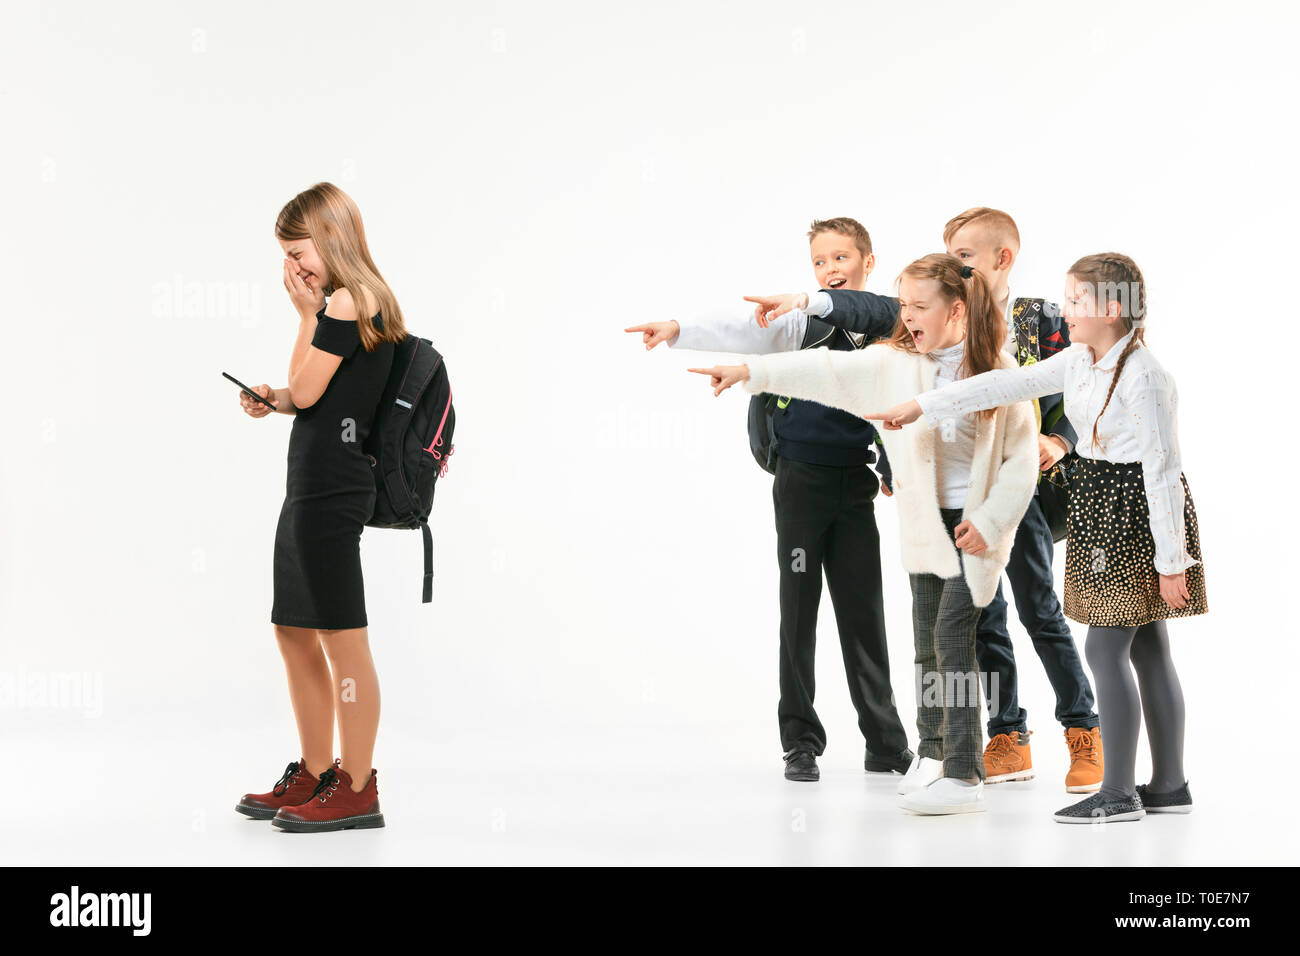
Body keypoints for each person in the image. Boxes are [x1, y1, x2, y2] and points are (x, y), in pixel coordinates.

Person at [749, 207, 1102, 791]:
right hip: (932, 507)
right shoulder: (924, 320)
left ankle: (1080, 730)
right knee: (973, 627)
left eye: (963, 255)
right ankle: (1002, 736)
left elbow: (1077, 388)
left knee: (1038, 613)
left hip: (1019, 495)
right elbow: (903, 397)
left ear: (999, 259)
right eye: (950, 254)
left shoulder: (1036, 320)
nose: (954, 265)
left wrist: (1059, 439)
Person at [689, 253, 1038, 815]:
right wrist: (751, 373)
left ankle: (965, 773)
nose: (907, 317)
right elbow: (829, 373)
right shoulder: (897, 365)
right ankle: (932, 752)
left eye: (919, 307)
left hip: (975, 530)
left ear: (956, 310)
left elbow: (1022, 463)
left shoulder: (998, 370)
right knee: (927, 646)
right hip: (925, 526)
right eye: (903, 306)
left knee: (954, 640)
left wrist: (991, 524)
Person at [873, 252, 1206, 822]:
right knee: (1148, 647)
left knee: (1107, 649)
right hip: (1100, 505)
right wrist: (921, 405)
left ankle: (1120, 792)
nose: (1065, 310)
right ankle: (1170, 785)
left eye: (1076, 301)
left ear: (1112, 308)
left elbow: (1162, 471)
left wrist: (1172, 561)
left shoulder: (1146, 377)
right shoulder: (1079, 360)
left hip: (1133, 515)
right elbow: (1008, 383)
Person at [627, 218, 913, 782]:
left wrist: (888, 462)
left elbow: (883, 333)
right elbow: (739, 330)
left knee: (865, 612)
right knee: (798, 609)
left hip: (853, 482)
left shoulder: (889, 318)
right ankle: (800, 741)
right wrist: (679, 327)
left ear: (868, 261)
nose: (830, 270)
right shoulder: (797, 319)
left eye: (841, 258)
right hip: (800, 480)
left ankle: (884, 742)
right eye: (819, 263)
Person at [233, 182, 405, 832]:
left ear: (333, 240)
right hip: (309, 482)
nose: (292, 269)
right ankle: (314, 769)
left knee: (341, 636)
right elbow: (301, 395)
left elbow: (307, 392)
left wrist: (304, 318)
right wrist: (267, 396)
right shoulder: (338, 301)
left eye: (298, 252)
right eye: (285, 256)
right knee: (295, 628)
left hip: (334, 488)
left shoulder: (353, 297)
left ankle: (357, 786)